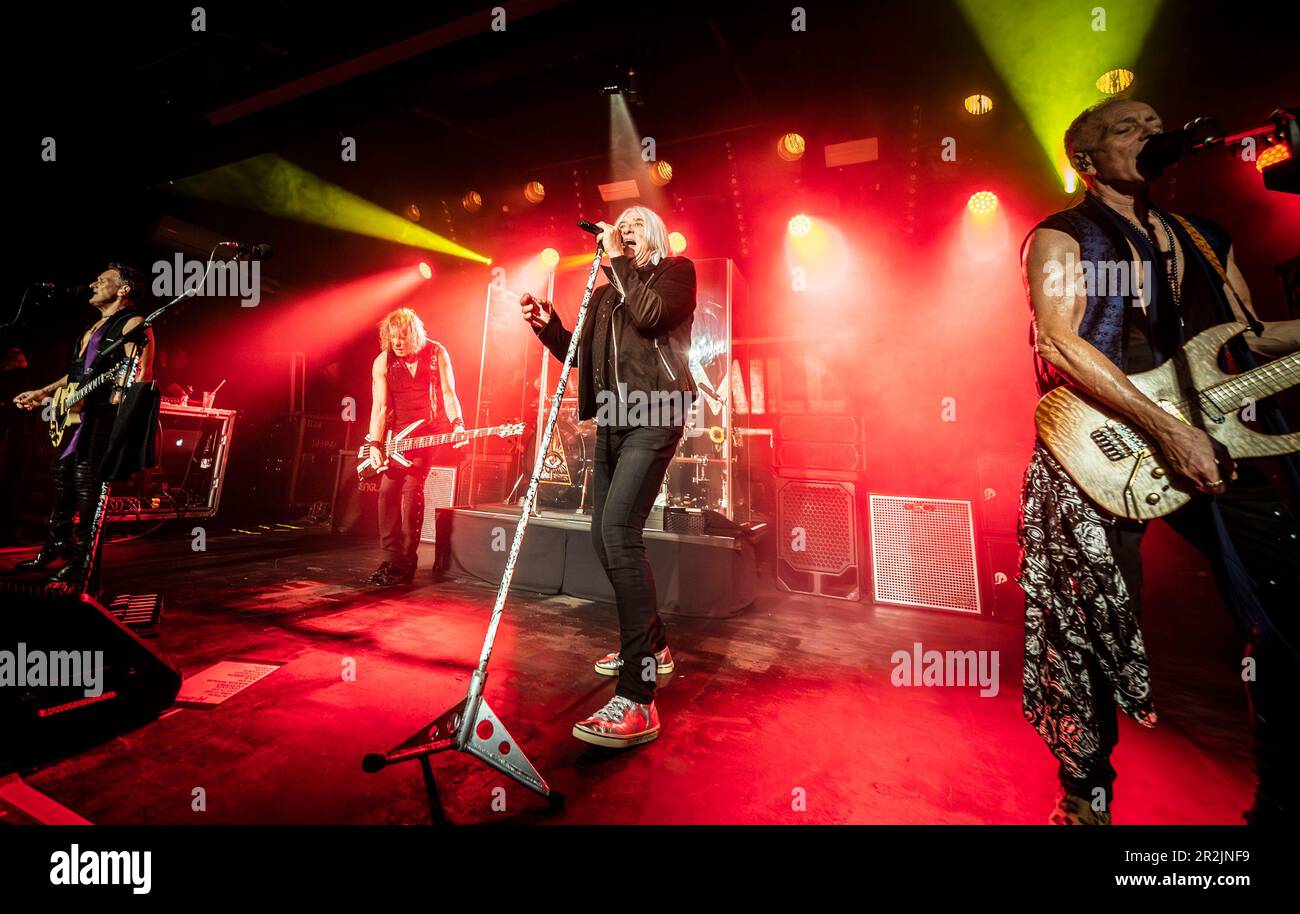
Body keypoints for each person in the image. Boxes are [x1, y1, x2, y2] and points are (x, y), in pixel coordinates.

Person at [1019, 98, 1300, 824]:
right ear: (1085, 161)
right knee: (1092, 625)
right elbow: (1058, 340)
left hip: (1215, 432)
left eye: (1153, 123)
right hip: (1098, 444)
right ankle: (1085, 797)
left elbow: (1254, 336)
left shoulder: (1205, 236)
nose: (1148, 133)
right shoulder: (1060, 236)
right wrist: (1165, 430)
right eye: (1125, 128)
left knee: (1288, 598)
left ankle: (1280, 796)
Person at [520, 205, 697, 748]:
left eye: (635, 223)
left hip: (656, 412)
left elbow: (649, 318)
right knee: (604, 535)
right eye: (619, 226)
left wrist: (617, 262)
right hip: (613, 422)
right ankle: (655, 646)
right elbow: (582, 360)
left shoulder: (675, 273)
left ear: (655, 234)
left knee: (619, 533)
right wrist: (547, 325)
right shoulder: (603, 294)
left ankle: (638, 698)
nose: (624, 230)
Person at [12, 264, 154, 592]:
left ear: (123, 290)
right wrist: (44, 392)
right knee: (62, 479)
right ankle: (56, 547)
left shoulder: (132, 323)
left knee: (87, 486)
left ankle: (81, 562)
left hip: (102, 420)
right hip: (77, 419)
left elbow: (141, 374)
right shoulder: (93, 327)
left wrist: (121, 401)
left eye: (102, 280)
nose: (92, 284)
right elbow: (77, 376)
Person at [365, 308, 467, 586]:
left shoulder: (436, 354)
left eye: (403, 337)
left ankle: (406, 558)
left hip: (426, 435)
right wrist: (375, 443)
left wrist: (458, 423)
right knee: (387, 491)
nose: (397, 343)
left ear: (415, 334)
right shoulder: (383, 362)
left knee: (411, 489)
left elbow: (449, 394)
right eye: (393, 337)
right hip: (396, 436)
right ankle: (390, 557)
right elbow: (380, 406)